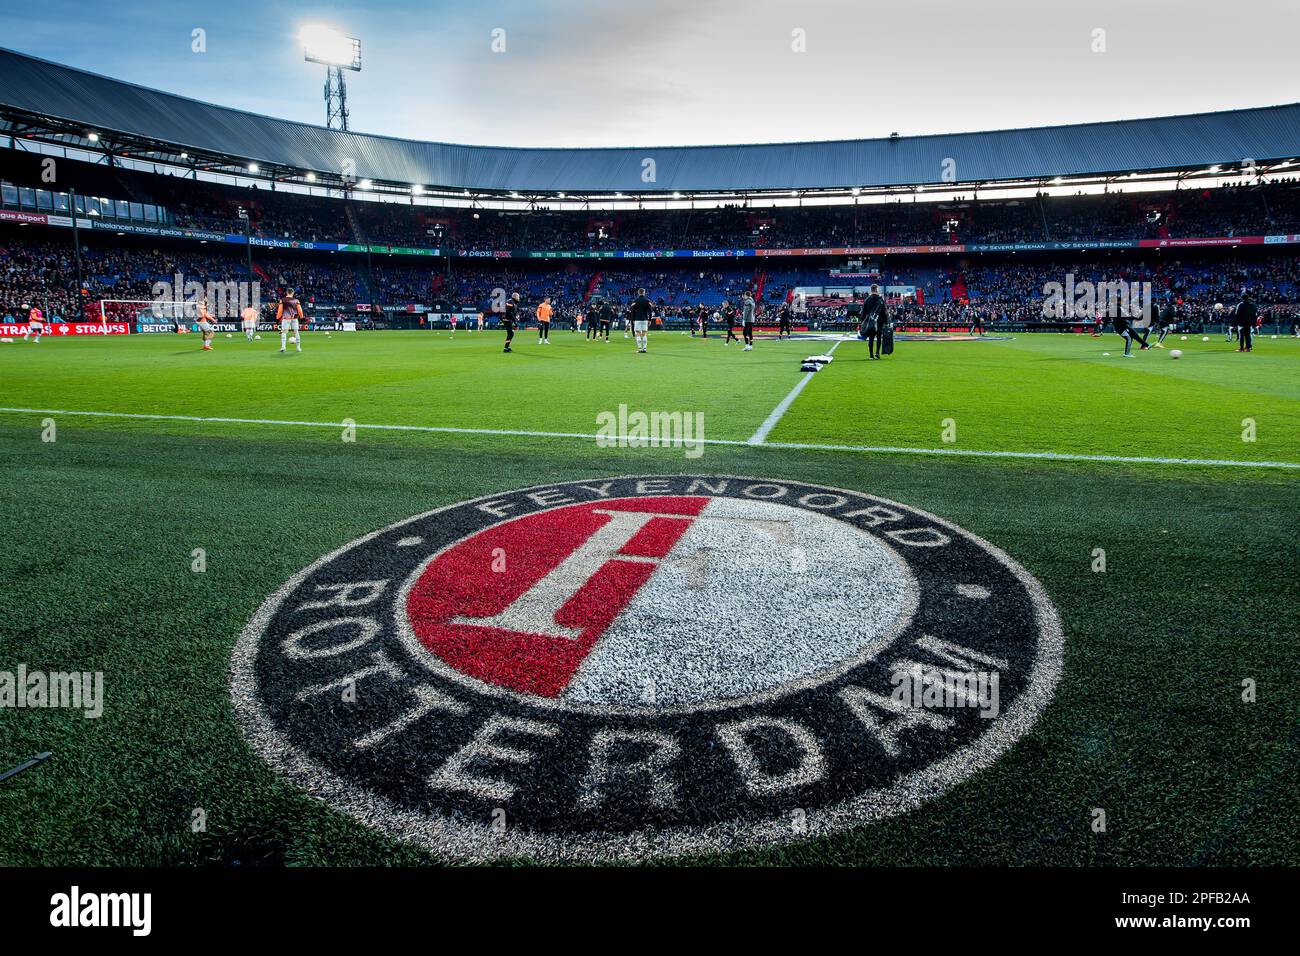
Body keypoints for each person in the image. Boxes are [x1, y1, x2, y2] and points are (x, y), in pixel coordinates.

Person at [860, 284, 887, 360]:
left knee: (871, 338)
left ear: (871, 290)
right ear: (877, 290)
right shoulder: (880, 299)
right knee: (879, 338)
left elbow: (863, 312)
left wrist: (862, 322)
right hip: (879, 321)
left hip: (870, 322)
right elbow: (884, 312)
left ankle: (871, 355)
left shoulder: (867, 300)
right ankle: (877, 353)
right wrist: (887, 321)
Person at [277, 288, 304, 353]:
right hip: (294, 318)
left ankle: (283, 347)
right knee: (296, 332)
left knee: (284, 332)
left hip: (286, 318)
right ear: (293, 293)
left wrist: (278, 317)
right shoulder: (296, 300)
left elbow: (280, 310)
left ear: (287, 292)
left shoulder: (282, 300)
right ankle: (298, 348)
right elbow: (300, 310)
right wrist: (301, 316)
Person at [630, 287, 652, 353]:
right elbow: (650, 311)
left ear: (638, 293)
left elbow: (633, 311)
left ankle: (639, 348)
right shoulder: (647, 301)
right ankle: (644, 349)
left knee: (638, 333)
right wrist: (650, 320)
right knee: (644, 333)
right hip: (645, 319)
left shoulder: (635, 301)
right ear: (644, 293)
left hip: (637, 319)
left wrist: (633, 319)